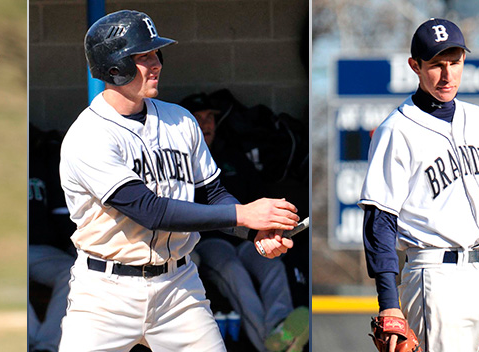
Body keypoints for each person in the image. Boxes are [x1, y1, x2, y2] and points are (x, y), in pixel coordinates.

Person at [57, 10, 300, 352]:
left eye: (156, 54)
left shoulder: (179, 119)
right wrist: (243, 216)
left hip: (178, 287)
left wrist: (252, 231)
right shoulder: (89, 134)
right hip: (105, 292)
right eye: (143, 57)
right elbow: (149, 210)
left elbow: (213, 193)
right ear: (114, 66)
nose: (156, 63)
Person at [360, 18, 479, 351]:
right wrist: (388, 300)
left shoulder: (477, 120)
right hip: (435, 278)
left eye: (454, 63)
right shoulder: (396, 131)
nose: (447, 75)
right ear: (415, 66)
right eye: (436, 65)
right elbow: (379, 224)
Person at [180, 93, 309, 352]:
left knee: (271, 264)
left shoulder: (233, 157)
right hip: (209, 242)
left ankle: (280, 326)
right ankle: (268, 344)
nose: (206, 124)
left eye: (210, 119)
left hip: (245, 237)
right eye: (199, 118)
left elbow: (257, 199)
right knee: (234, 272)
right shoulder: (181, 161)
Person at [29, 124, 77, 352]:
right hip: (1, 252)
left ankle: (46, 346)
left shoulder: (42, 163)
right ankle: (30, 343)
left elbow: (61, 215)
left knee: (72, 272)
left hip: (40, 250)